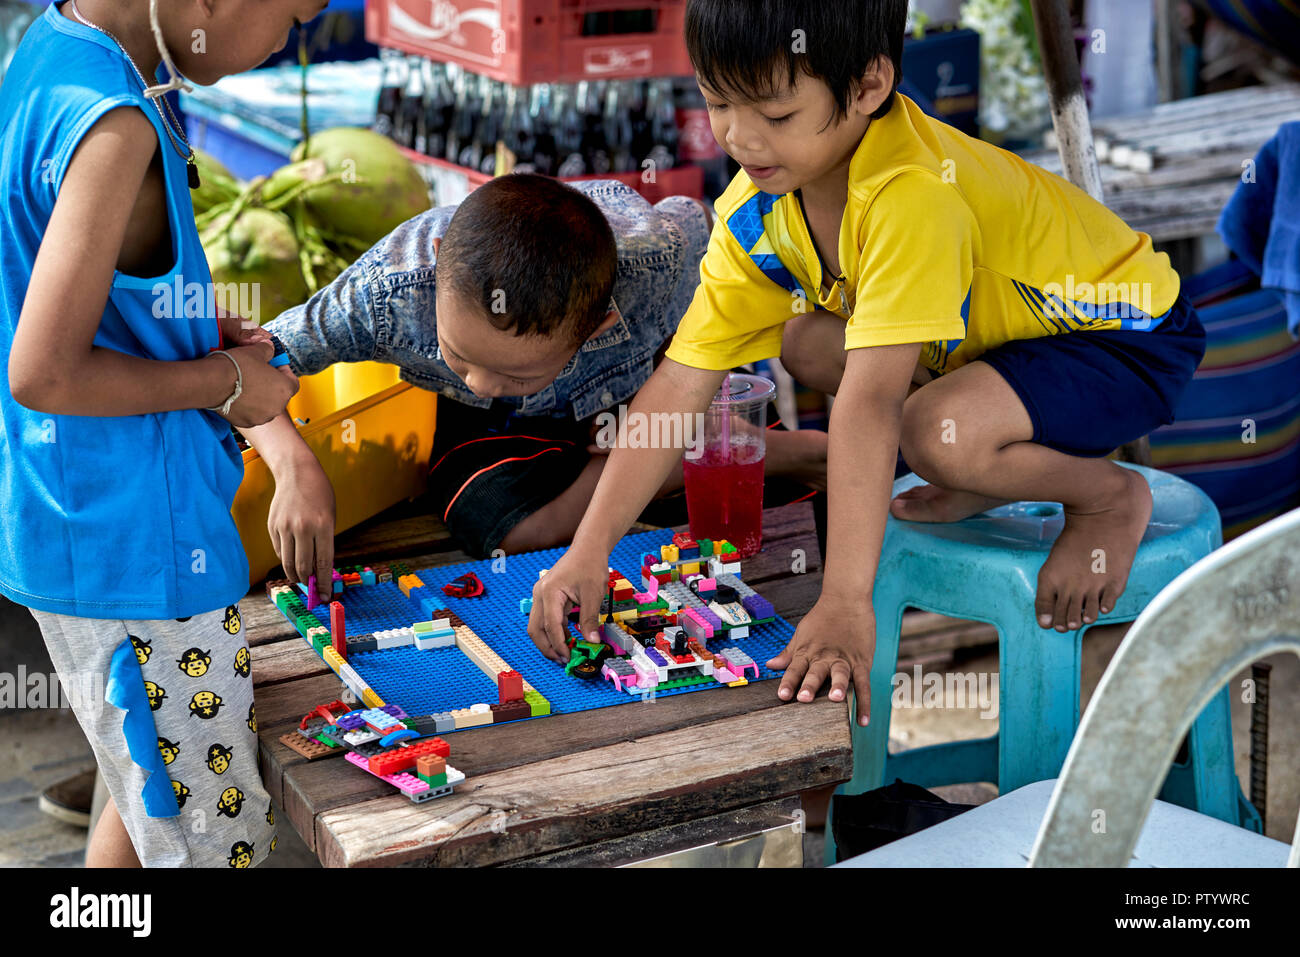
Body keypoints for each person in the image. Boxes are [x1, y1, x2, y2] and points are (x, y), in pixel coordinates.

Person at [527, 0, 1206, 729]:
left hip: (1125, 337)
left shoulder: (912, 196)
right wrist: (587, 549)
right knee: (806, 343)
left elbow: (870, 404)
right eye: (718, 100)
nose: (740, 136)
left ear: (869, 85)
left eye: (776, 114)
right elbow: (679, 385)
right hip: (1003, 347)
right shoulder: (761, 213)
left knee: (933, 431)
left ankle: (1104, 494)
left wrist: (846, 598)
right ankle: (978, 463)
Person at [0, 0, 318, 866]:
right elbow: (47, 369)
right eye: (293, 18)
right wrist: (229, 382)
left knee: (147, 798)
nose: (286, 44)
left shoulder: (57, 47)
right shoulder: (119, 127)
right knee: (214, 846)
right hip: (143, 553)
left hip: (73, 524)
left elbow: (70, 288)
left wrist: (191, 327)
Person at [256, 173, 827, 600]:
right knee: (498, 521)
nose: (479, 380)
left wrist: (662, 403)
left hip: (629, 389)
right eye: (458, 354)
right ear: (437, 268)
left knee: (737, 515)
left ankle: (789, 455)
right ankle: (714, 457)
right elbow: (248, 365)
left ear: (599, 322)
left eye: (515, 374)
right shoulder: (387, 296)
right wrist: (295, 470)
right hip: (494, 430)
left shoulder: (661, 261)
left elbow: (707, 248)